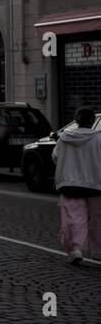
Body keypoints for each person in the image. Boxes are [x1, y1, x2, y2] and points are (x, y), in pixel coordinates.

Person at [53, 107, 101, 266]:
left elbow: (55, 157)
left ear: (76, 120)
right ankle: (98, 250)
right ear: (92, 121)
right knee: (97, 218)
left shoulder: (63, 138)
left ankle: (76, 249)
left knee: (74, 218)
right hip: (95, 184)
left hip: (69, 184)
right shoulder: (98, 139)